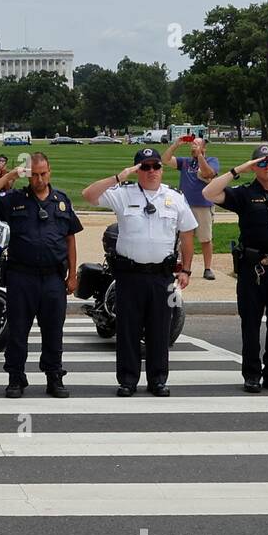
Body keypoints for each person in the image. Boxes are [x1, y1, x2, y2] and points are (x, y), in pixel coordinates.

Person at [83, 147, 196, 397]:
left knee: (160, 330)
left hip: (162, 276)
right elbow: (88, 195)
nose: (152, 171)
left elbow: (188, 233)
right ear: (137, 169)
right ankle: (127, 380)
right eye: (145, 167)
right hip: (129, 275)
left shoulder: (174, 197)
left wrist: (186, 269)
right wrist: (119, 177)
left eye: (156, 166)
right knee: (128, 329)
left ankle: (158, 380)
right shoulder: (123, 193)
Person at [202, 144, 268, 392]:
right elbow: (209, 192)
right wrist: (239, 170)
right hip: (253, 269)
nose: (267, 166)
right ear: (254, 166)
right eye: (261, 162)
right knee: (250, 324)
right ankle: (252, 374)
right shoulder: (243, 194)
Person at [0, 151, 83, 397]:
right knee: (17, 330)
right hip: (21, 276)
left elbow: (70, 239)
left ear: (50, 171)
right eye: (34, 175)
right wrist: (10, 176)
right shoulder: (15, 199)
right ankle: (16, 376)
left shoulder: (61, 201)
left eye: (43, 174)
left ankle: (53, 375)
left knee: (54, 330)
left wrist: (72, 275)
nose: (38, 179)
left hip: (53, 277)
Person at [162, 135, 219, 279]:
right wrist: (176, 145)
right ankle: (183, 266)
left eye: (197, 144)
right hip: (185, 205)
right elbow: (166, 160)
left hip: (203, 205)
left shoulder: (212, 161)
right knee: (183, 238)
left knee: (205, 238)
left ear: (204, 148)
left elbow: (208, 173)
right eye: (192, 144)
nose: (193, 147)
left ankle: (207, 268)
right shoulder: (185, 162)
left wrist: (200, 156)